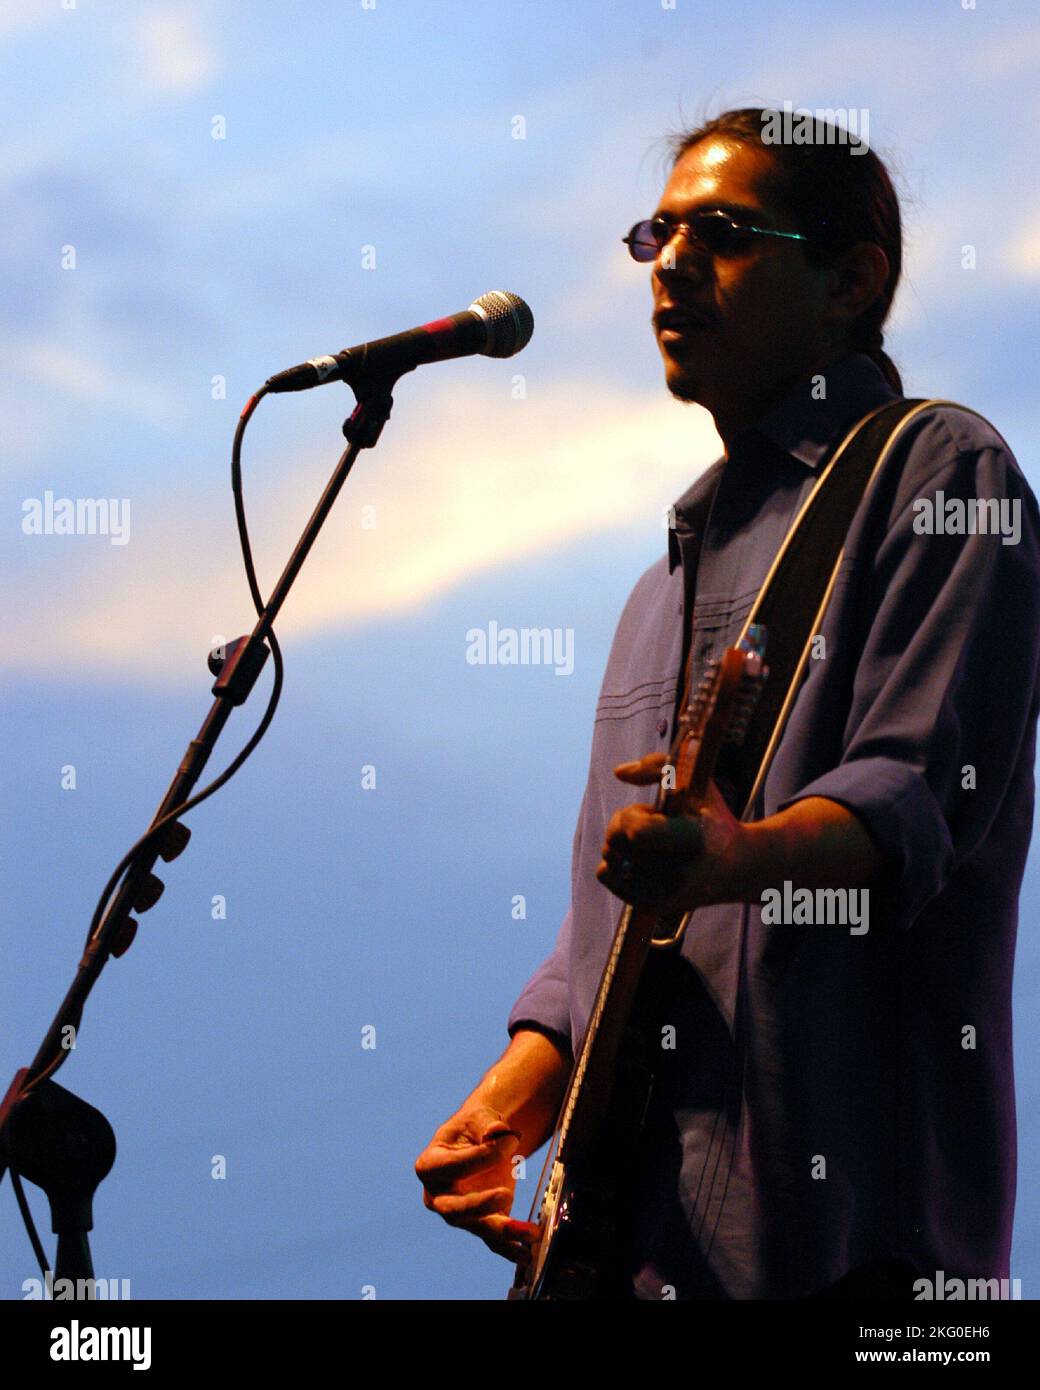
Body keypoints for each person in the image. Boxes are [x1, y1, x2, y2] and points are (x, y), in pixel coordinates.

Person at [415, 107, 1040, 1299]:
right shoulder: (657, 589)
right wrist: (513, 1096)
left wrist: (729, 853)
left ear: (851, 278)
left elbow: (910, 803)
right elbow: (612, 926)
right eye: (657, 235)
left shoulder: (938, 473)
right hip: (628, 1255)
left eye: (725, 233)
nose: (674, 264)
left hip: (853, 1254)